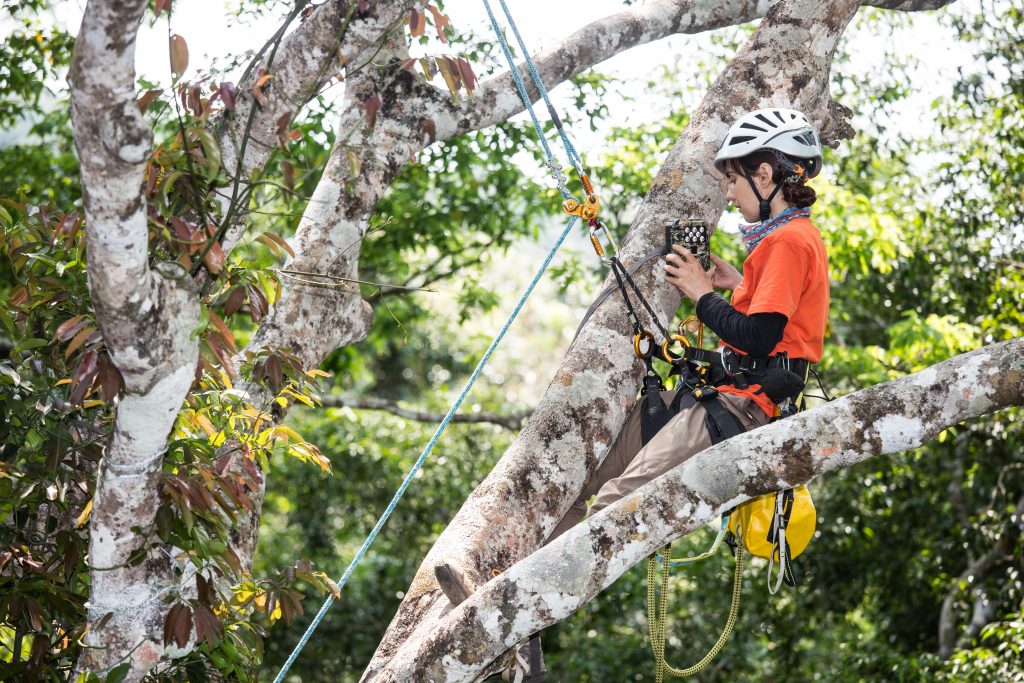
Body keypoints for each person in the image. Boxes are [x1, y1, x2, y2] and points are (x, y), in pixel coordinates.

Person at [549, 106, 831, 540]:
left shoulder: (788, 240)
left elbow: (759, 339)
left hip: (740, 404)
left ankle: (534, 598)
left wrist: (702, 295)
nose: (730, 195)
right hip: (716, 395)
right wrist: (738, 286)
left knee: (613, 508)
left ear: (762, 176)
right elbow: (774, 319)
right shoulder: (782, 240)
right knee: (576, 473)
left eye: (733, 181)